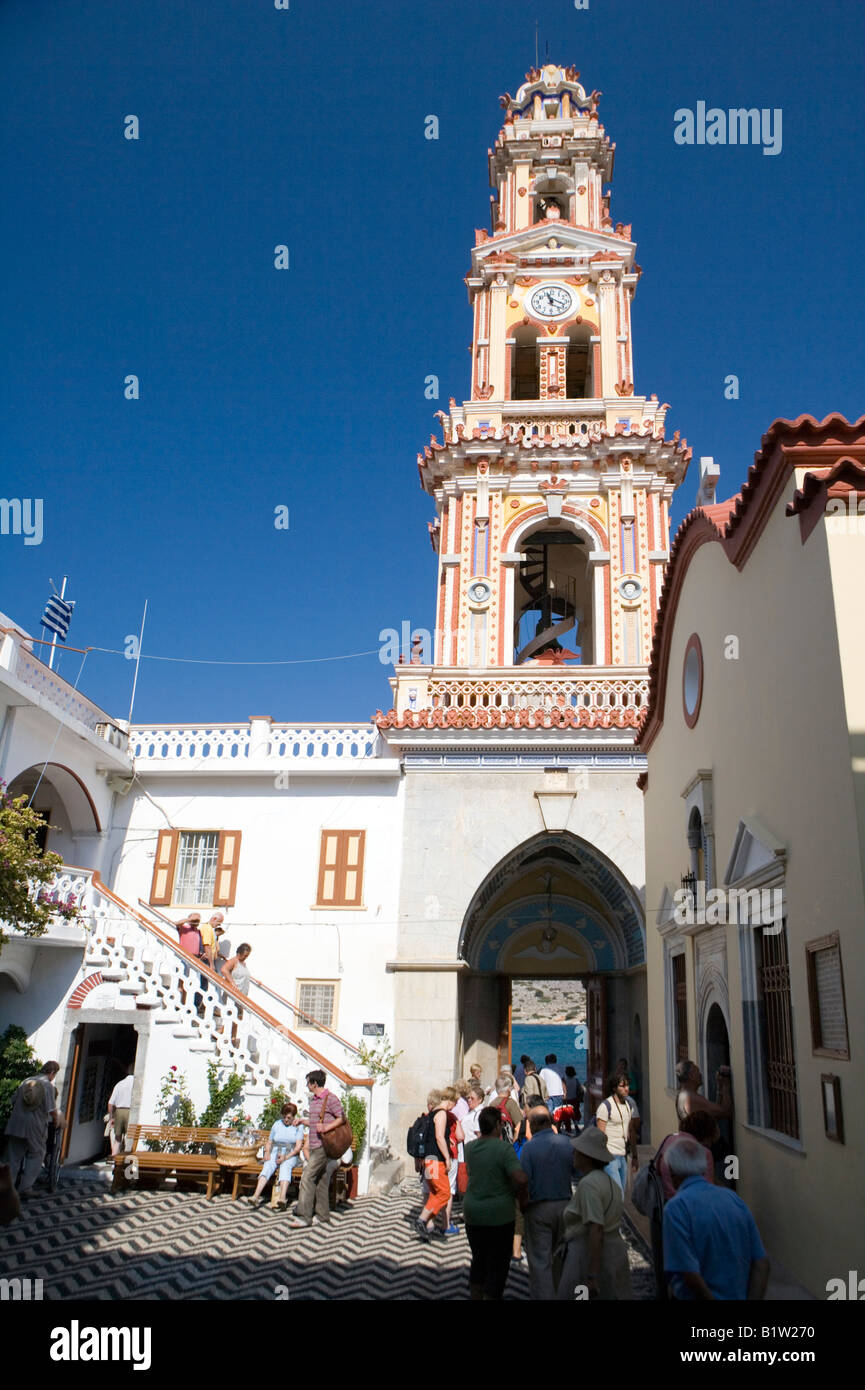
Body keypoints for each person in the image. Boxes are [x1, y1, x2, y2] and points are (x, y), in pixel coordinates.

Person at [663, 1139, 769, 1300]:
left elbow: (689, 1274)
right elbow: (761, 1263)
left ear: (672, 1172)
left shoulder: (676, 1208)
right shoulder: (733, 1199)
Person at [556, 1126, 632, 1300]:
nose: (573, 1153)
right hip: (613, 1252)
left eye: (578, 1150)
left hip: (587, 1255)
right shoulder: (609, 1181)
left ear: (587, 1156)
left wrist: (591, 1275)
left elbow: (596, 1228)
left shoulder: (589, 1184)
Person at [463, 1106, 529, 1300]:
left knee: (479, 1258)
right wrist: (523, 1197)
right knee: (498, 1264)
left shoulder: (470, 1148)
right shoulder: (504, 1149)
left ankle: (476, 1295)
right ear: (498, 1125)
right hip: (500, 1214)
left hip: (473, 1211)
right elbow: (520, 1178)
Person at [519, 1106, 577, 1300]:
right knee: (562, 1257)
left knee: (540, 1261)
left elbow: (524, 1179)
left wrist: (523, 1203)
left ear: (534, 1124)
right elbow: (576, 1172)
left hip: (539, 1208)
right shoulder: (567, 1143)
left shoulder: (529, 1148)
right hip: (565, 1206)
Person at [289, 1071, 345, 1228]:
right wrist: (302, 1121)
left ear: (314, 1083)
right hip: (313, 1145)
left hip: (323, 1146)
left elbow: (342, 1118)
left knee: (307, 1177)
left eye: (308, 1082)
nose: (307, 1085)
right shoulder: (314, 1100)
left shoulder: (331, 1098)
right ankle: (322, 1216)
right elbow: (315, 1122)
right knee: (320, 1180)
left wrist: (327, 1127)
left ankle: (304, 1216)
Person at [3, 1062, 63, 1195]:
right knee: (37, 1154)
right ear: (52, 1073)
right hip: (35, 1125)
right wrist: (57, 1121)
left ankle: (8, 1186)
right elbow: (51, 1110)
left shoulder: (27, 1081)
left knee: (13, 1156)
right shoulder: (48, 1086)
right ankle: (26, 1187)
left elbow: (13, 1100)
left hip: (17, 1123)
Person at [249, 1101, 305, 1208]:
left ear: (294, 1116)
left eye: (288, 1117)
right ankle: (256, 1196)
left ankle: (282, 1198)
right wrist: (267, 1152)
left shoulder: (298, 1127)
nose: (286, 1120)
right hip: (276, 1151)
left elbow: (298, 1147)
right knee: (268, 1166)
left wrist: (285, 1157)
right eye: (284, 1117)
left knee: (285, 1167)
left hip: (290, 1153)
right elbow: (269, 1142)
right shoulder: (277, 1124)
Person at [414, 1089, 453, 1240]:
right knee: (444, 1193)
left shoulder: (430, 1115)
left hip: (428, 1159)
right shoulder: (441, 1113)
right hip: (436, 1160)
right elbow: (439, 1137)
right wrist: (447, 1158)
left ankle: (426, 1224)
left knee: (435, 1193)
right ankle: (421, 1220)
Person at [655, 1111, 718, 1202]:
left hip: (664, 1202)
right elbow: (707, 1189)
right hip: (691, 1205)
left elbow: (657, 1169)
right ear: (707, 1133)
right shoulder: (704, 1153)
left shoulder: (668, 1139)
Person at [596, 1071, 639, 1192]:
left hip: (623, 1155)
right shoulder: (605, 1107)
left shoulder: (629, 1106)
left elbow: (631, 1132)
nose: (626, 1089)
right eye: (622, 1086)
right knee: (617, 1193)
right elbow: (600, 1135)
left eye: (627, 1085)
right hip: (610, 1156)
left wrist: (635, 1156)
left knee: (621, 1195)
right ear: (614, 1088)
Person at [107, 1064, 134, 1156]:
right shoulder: (137, 1083)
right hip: (130, 1111)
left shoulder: (120, 1084)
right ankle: (126, 1162)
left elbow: (110, 1103)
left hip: (119, 1111)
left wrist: (111, 1117)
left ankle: (114, 1159)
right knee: (129, 1138)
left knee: (117, 1139)